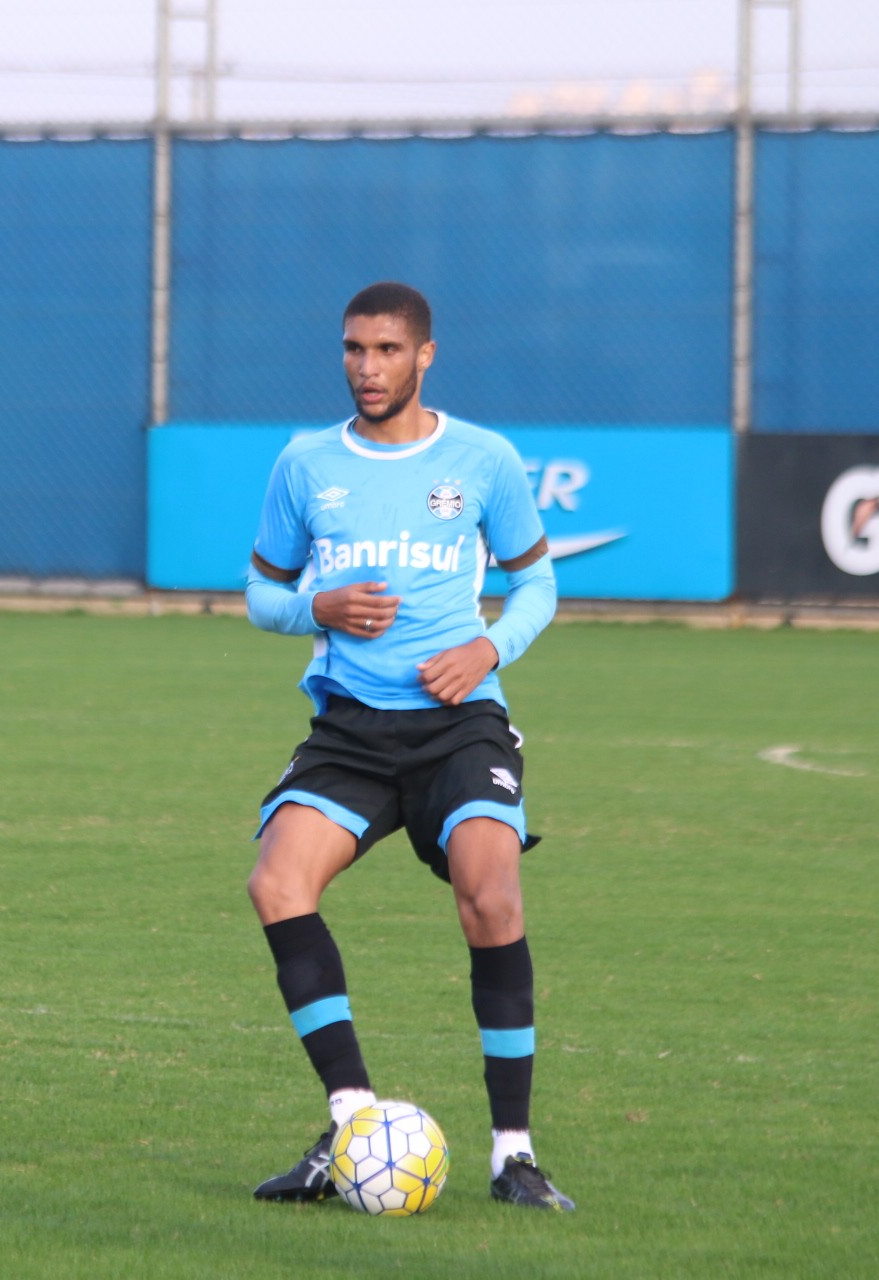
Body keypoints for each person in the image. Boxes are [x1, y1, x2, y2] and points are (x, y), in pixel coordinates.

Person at [243, 282, 574, 1212]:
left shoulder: (483, 459)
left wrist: (487, 646)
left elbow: (538, 585)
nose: (367, 367)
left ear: (424, 356)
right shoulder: (306, 465)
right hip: (350, 727)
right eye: (353, 349)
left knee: (492, 893)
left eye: (386, 350)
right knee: (276, 884)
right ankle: (351, 1122)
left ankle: (513, 1152)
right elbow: (260, 594)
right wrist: (318, 606)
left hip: (459, 725)